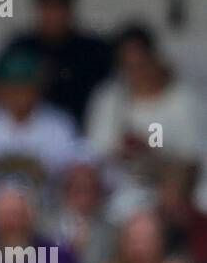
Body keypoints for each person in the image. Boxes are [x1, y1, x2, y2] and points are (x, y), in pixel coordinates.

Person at [0, 0, 111, 126]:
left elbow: (112, 94)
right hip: (27, 133)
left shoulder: (94, 50)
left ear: (70, 9)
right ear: (38, 8)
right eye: (48, 8)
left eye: (59, 8)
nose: (53, 16)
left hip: (83, 134)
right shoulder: (20, 46)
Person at [85, 24, 201, 170]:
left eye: (140, 64)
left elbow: (195, 153)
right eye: (127, 66)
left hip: (169, 186)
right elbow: (95, 149)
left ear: (153, 58)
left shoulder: (185, 100)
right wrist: (121, 151)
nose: (135, 73)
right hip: (120, 187)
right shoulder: (108, 97)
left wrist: (152, 153)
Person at [0, 48, 80, 176]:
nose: (18, 96)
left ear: (39, 89)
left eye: (24, 88)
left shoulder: (60, 125)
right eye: (12, 88)